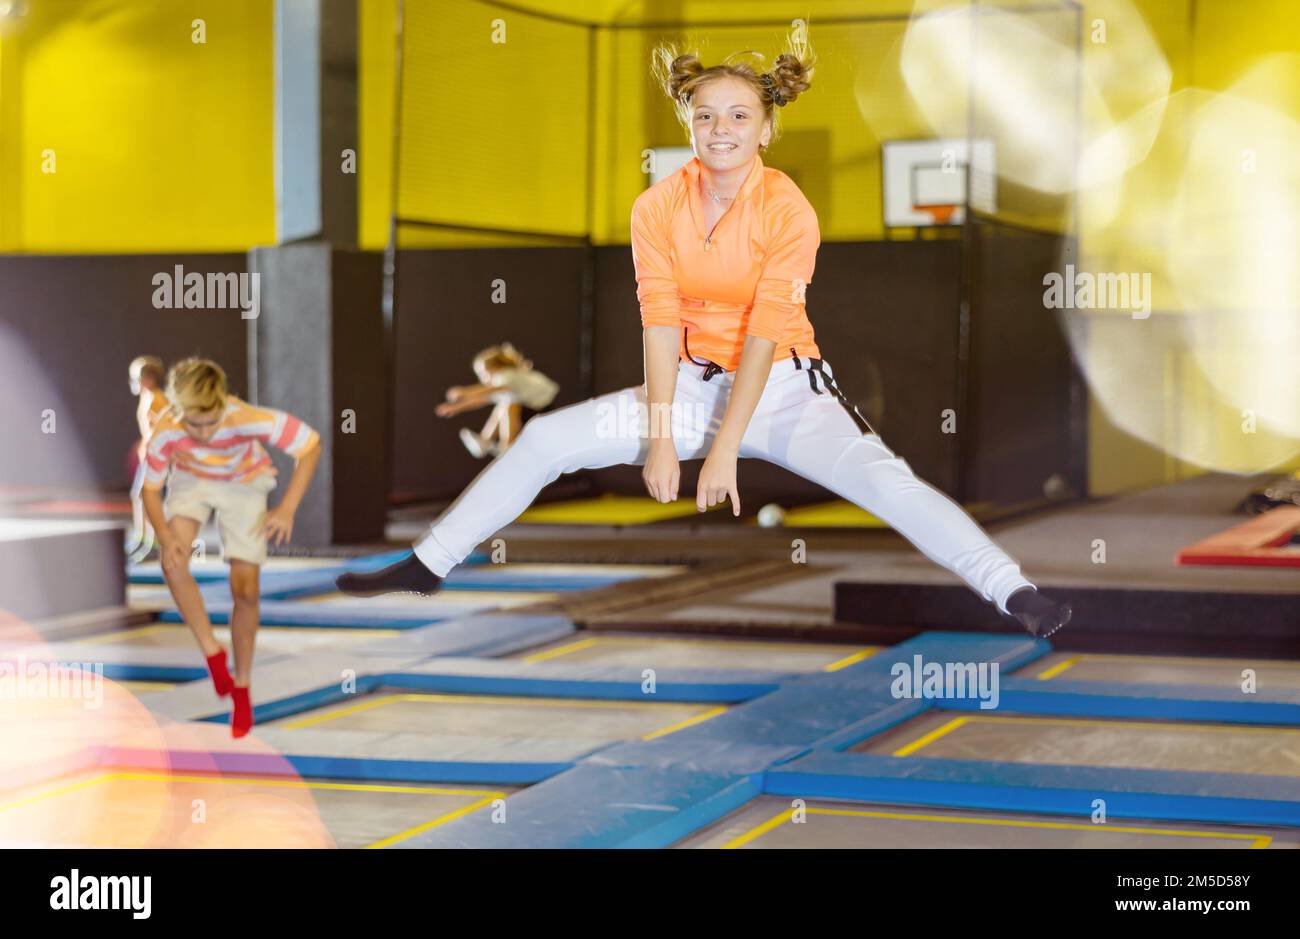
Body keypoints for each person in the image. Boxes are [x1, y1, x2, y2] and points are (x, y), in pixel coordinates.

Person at [338, 33, 1071, 639]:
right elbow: (659, 322)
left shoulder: (788, 210)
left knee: (890, 485)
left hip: (785, 387)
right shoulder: (657, 207)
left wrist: (724, 450)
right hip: (689, 385)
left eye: (738, 117)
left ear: (766, 127)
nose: (721, 130)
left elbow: (766, 330)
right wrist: (664, 436)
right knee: (544, 440)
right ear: (690, 123)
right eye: (706, 116)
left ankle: (1015, 592)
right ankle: (428, 562)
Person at [139, 357, 321, 736]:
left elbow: (310, 445)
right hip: (192, 479)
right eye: (194, 424)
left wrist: (286, 508)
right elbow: (151, 491)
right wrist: (168, 538)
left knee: (247, 591)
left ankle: (242, 685)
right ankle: (212, 651)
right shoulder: (168, 430)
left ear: (222, 402)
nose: (203, 432)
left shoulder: (246, 417)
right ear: (178, 410)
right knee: (172, 564)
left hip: (245, 482)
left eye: (211, 421)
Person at [436, 342, 559, 458]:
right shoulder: (503, 383)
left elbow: (494, 389)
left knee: (508, 403)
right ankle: (486, 440)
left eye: (485, 373)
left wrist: (465, 391)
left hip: (542, 407)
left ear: (497, 367)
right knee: (504, 403)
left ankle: (507, 446)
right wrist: (455, 408)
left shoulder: (508, 375)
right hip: (531, 408)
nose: (483, 378)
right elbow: (481, 400)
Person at [125, 355, 169, 561]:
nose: (133, 382)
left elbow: (165, 426)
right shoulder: (146, 397)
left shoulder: (156, 398)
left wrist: (150, 440)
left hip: (155, 455)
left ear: (148, 379)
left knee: (147, 496)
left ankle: (153, 543)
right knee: (139, 496)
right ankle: (142, 538)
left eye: (136, 378)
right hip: (148, 454)